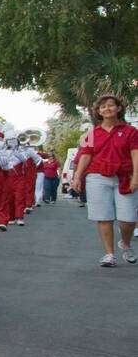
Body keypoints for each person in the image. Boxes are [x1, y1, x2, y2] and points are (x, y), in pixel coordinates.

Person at [71, 94, 138, 266]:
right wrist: (77, 176)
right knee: (104, 216)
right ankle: (109, 255)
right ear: (99, 112)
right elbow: (86, 155)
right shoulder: (92, 133)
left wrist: (136, 177)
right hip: (98, 176)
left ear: (118, 108)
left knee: (128, 219)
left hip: (124, 176)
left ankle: (126, 243)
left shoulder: (130, 131)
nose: (106, 109)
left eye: (110, 105)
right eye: (103, 107)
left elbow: (135, 155)